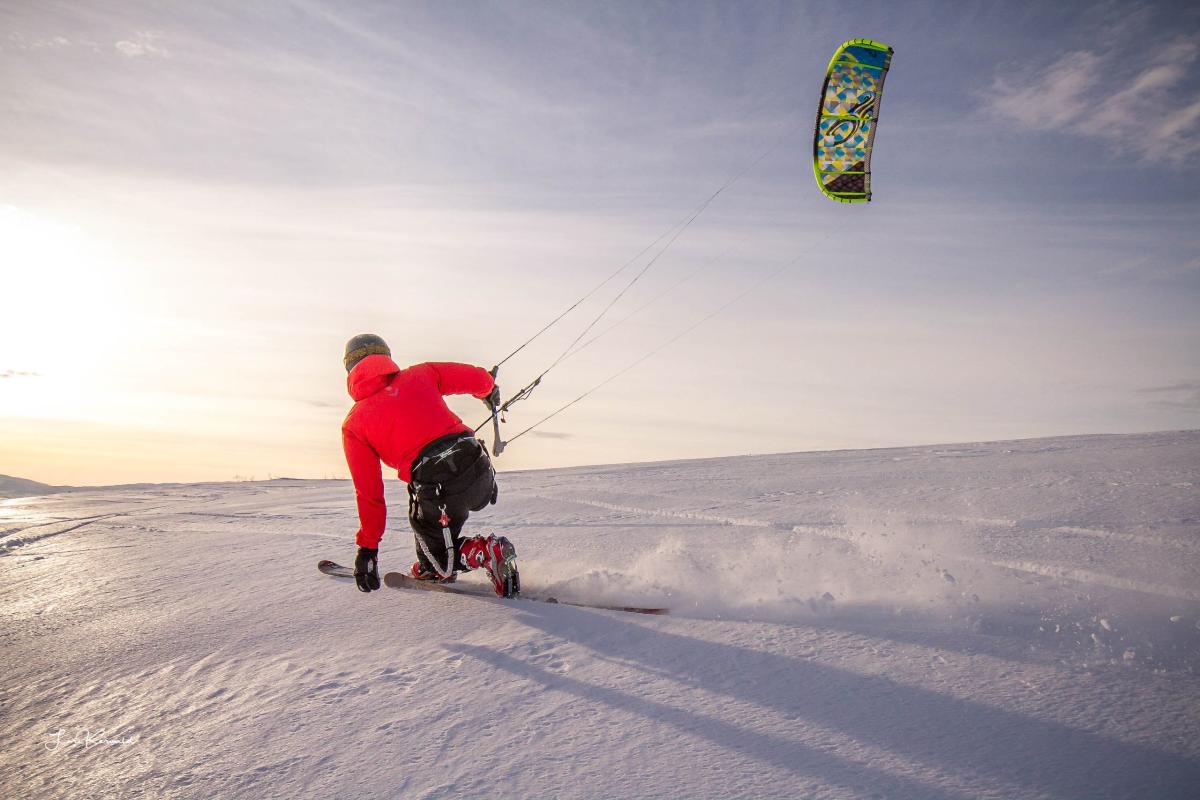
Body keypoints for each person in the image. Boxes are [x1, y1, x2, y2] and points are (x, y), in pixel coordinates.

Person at [340, 333, 518, 597]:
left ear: (349, 369)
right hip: (479, 470)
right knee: (424, 519)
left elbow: (370, 495)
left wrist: (368, 549)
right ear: (386, 356)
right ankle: (432, 562)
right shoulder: (420, 374)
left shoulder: (354, 425)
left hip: (439, 489)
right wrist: (488, 389)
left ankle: (479, 553)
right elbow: (480, 380)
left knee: (432, 539)